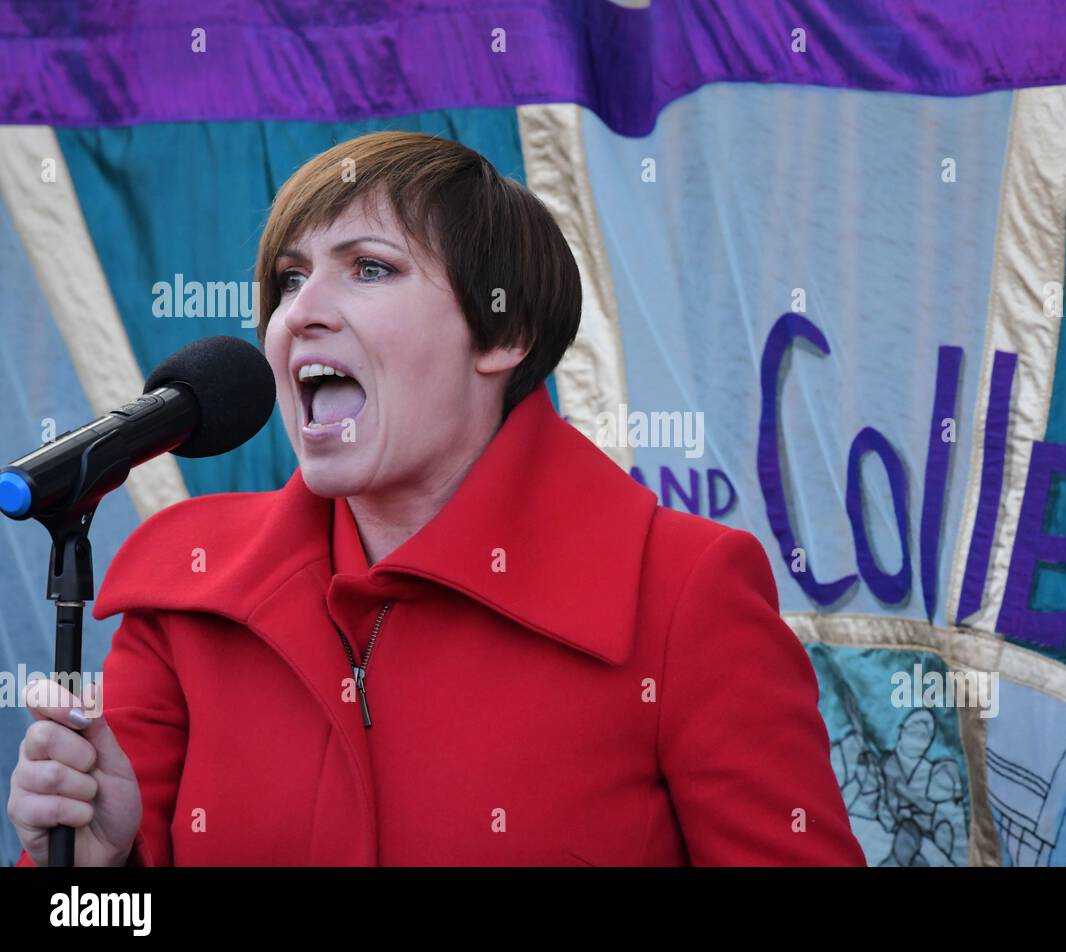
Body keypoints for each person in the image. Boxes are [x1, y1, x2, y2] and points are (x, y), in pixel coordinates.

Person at [9, 131, 866, 867]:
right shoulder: (184, 589)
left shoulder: (683, 593)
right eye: (290, 279)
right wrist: (100, 873)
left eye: (370, 269)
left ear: (503, 333)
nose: (301, 311)